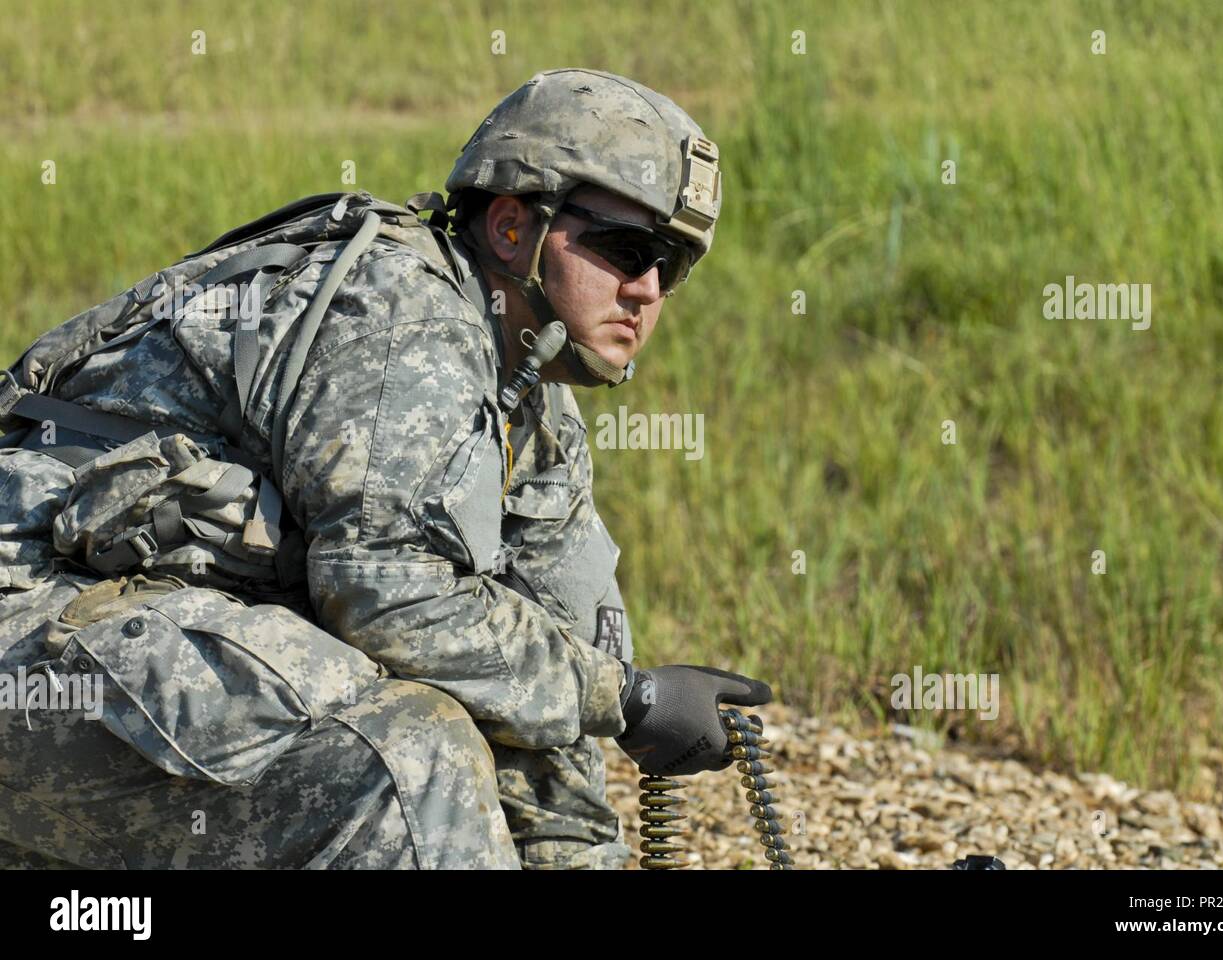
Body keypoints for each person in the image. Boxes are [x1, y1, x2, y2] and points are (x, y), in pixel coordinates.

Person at [0, 68, 770, 870]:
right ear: (512, 229)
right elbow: (385, 596)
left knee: (480, 705)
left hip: (147, 647)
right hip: (34, 630)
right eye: (626, 249)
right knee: (406, 761)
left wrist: (585, 830)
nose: (647, 292)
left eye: (672, 266)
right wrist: (633, 699)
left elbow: (536, 688)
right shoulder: (406, 317)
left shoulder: (534, 413)